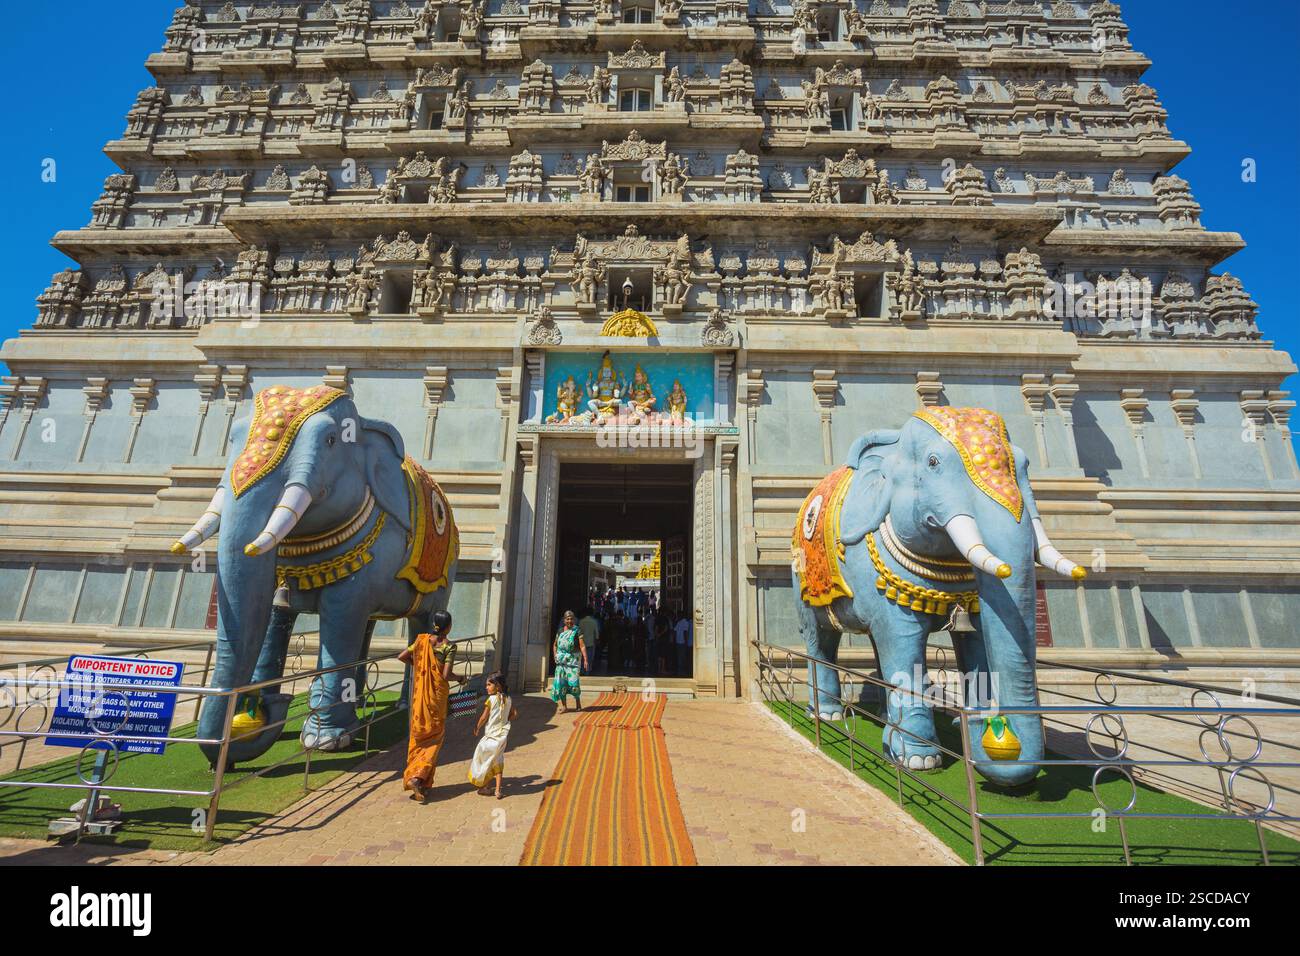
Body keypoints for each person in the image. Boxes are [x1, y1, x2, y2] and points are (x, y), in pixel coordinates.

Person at [398, 610, 458, 802]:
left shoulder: (422, 641)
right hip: (437, 699)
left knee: (418, 736)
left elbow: (402, 656)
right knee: (434, 739)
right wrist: (462, 678)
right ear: (448, 626)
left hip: (420, 698)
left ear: (435, 624)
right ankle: (418, 777)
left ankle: (421, 783)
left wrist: (421, 667)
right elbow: (446, 675)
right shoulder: (448, 647)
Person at [469, 671, 517, 800]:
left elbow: (484, 717)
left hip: (491, 736)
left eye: (489, 685)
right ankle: (497, 791)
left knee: (484, 759)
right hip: (502, 736)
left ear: (498, 686)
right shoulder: (509, 699)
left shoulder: (491, 699)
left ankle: (484, 787)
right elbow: (514, 714)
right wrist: (505, 720)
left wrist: (477, 727)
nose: (487, 687)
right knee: (498, 760)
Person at [551, 609, 588, 712]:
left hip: (573, 661)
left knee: (574, 683)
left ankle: (578, 704)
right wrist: (555, 656)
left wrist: (585, 659)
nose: (569, 621)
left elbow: (582, 645)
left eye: (571, 619)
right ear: (564, 620)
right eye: (567, 619)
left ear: (574, 620)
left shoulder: (577, 630)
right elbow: (555, 645)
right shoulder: (560, 631)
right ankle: (564, 706)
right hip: (561, 662)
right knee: (561, 683)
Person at [578, 605, 601, 673]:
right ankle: (587, 671)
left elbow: (578, 632)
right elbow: (596, 633)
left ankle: (582, 670)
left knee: (582, 657)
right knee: (590, 658)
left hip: (582, 643)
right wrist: (597, 641)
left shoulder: (581, 621)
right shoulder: (594, 621)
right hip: (591, 643)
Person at [674, 610, 692, 676]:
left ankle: (679, 671)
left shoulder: (678, 622)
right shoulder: (686, 623)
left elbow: (675, 631)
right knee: (683, 657)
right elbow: (685, 632)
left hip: (678, 641)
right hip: (683, 642)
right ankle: (682, 672)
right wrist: (686, 641)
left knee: (679, 657)